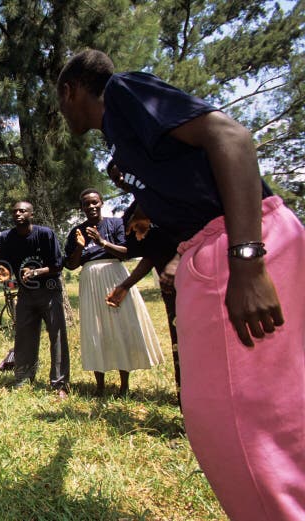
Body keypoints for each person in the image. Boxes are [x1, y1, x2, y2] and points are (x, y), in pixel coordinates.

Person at [57, 49, 305, 520]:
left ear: (70, 91)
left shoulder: (123, 92)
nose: (62, 113)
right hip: (215, 245)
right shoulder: (123, 141)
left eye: (60, 102)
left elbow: (231, 137)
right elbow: (184, 192)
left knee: (242, 424)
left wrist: (248, 262)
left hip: (241, 242)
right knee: (244, 416)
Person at [63, 189, 163, 397]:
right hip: (90, 279)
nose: (91, 207)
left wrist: (102, 242)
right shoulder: (77, 231)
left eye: (94, 202)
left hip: (115, 276)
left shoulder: (116, 224)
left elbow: (127, 253)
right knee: (95, 329)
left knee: (121, 327)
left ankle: (124, 385)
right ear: (81, 208)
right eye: (86, 204)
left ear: (101, 203)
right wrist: (80, 248)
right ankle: (99, 386)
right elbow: (71, 265)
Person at [103, 161, 181, 405]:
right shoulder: (134, 213)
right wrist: (125, 285)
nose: (121, 181)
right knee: (182, 340)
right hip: (172, 287)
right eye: (115, 179)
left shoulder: (170, 194)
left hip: (204, 275)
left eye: (123, 174)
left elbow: (200, 228)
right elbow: (150, 254)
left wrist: (177, 261)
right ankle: (189, 403)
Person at [0, 201, 69, 398]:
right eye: (15, 211)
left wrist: (37, 271)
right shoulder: (6, 237)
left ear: (31, 214)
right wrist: (3, 273)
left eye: (23, 210)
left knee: (57, 336)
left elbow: (57, 265)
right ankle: (23, 378)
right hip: (26, 293)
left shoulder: (45, 234)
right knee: (24, 335)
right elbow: (5, 266)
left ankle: (59, 384)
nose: (18, 213)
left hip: (49, 290)